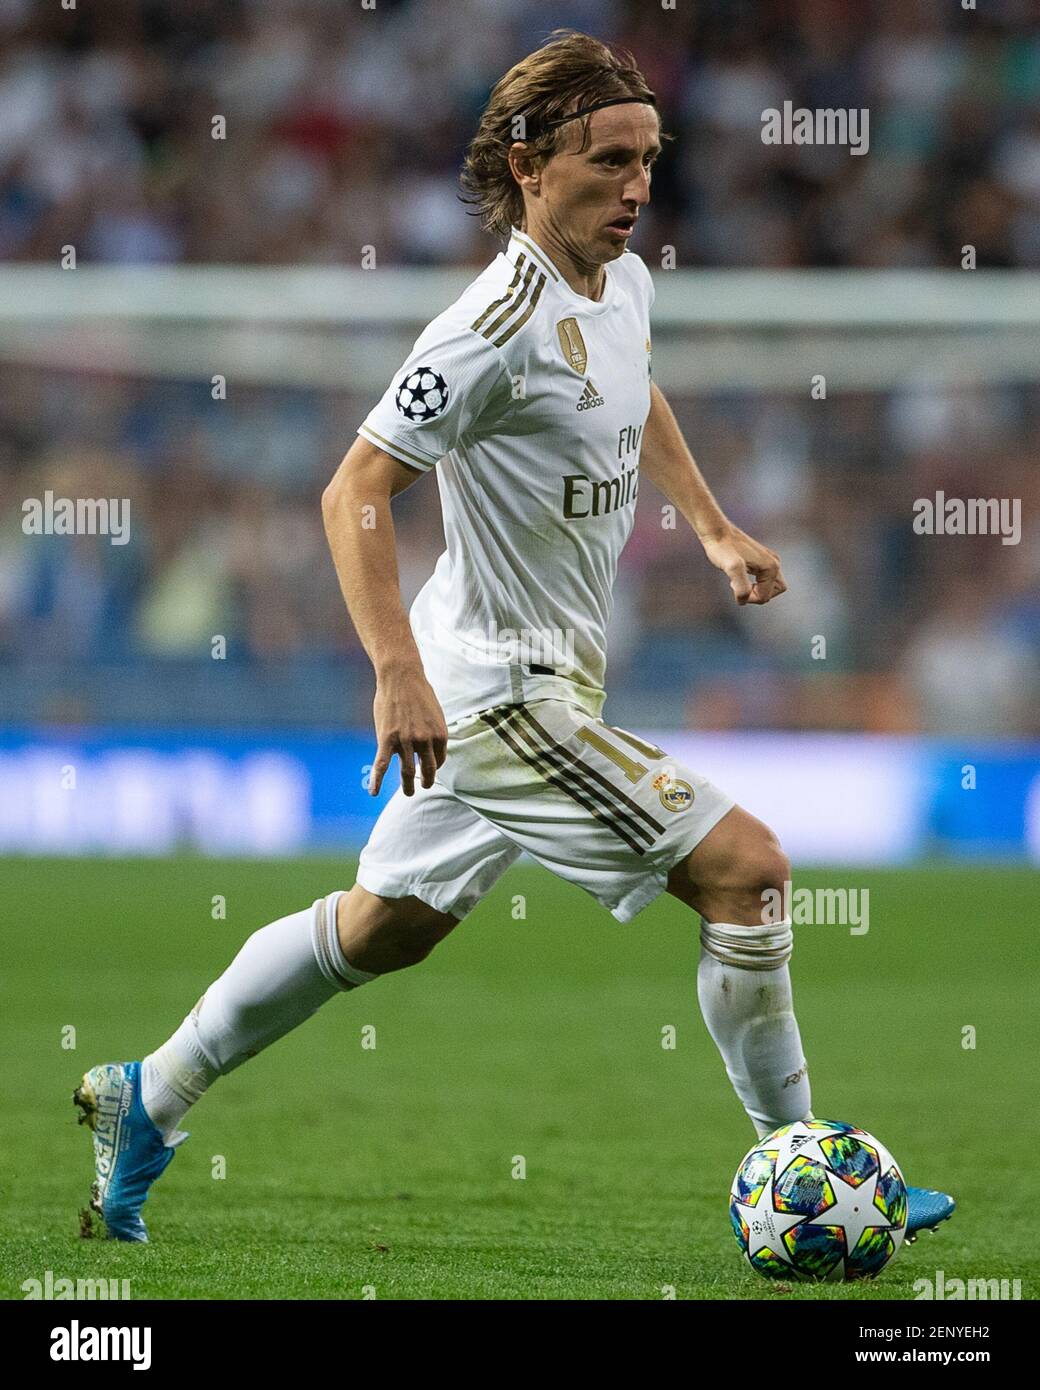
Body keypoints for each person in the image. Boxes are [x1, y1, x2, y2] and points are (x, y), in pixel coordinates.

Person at [75, 30, 953, 1252]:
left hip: (541, 673)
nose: (637, 186)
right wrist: (393, 669)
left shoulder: (622, 283)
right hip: (493, 692)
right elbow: (353, 490)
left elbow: (632, 388)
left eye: (649, 158)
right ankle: (813, 1166)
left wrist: (709, 526)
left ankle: (147, 1093)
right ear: (529, 163)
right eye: (608, 161)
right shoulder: (487, 325)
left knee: (384, 928)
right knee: (746, 869)